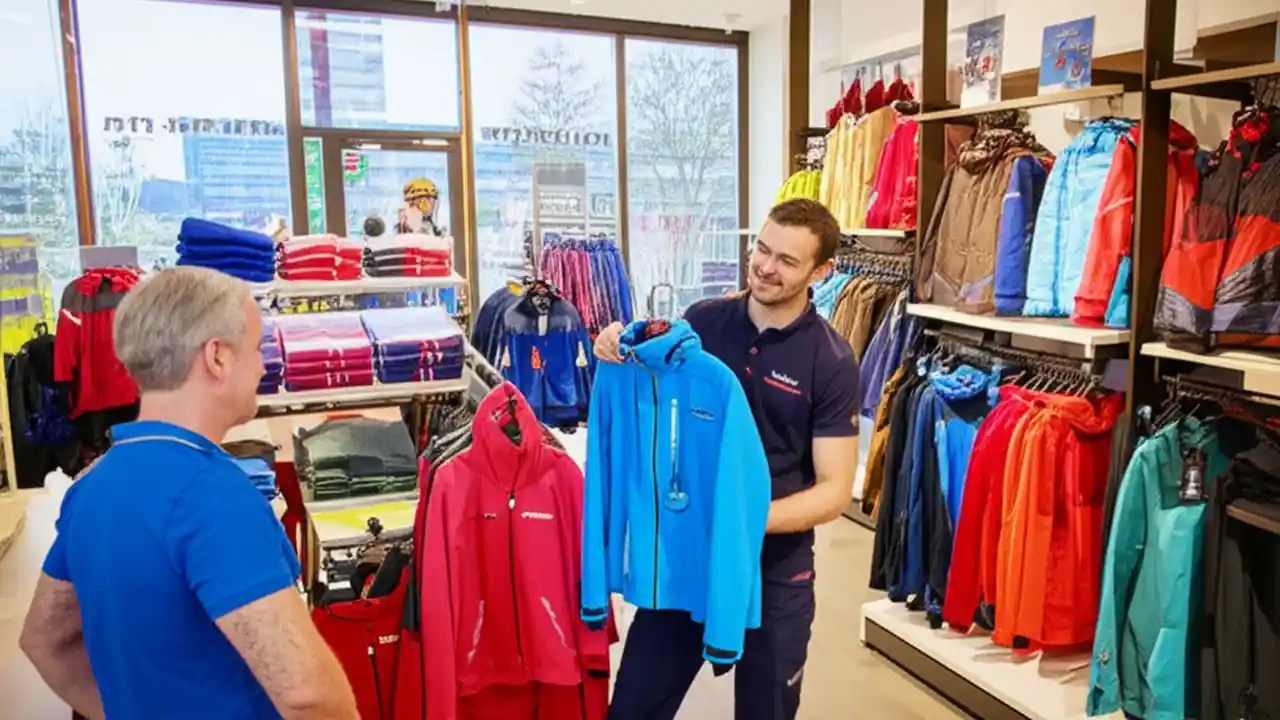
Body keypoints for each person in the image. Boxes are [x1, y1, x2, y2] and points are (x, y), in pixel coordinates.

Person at [20, 267, 359, 720]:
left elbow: (44, 639)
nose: (263, 365)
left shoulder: (92, 487)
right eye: (257, 349)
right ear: (217, 357)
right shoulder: (211, 495)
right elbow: (307, 694)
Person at [599, 199, 861, 720]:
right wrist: (616, 343)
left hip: (776, 569)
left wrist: (739, 522)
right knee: (633, 707)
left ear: (821, 270)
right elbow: (647, 367)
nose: (765, 266)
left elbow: (833, 489)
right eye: (761, 249)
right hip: (687, 557)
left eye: (787, 260)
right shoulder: (702, 324)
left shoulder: (831, 361)